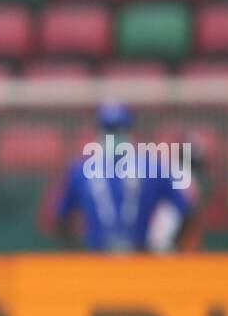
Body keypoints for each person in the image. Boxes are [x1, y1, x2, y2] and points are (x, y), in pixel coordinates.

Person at [55, 101, 191, 252]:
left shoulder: (153, 167)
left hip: (140, 257)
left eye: (119, 129)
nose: (113, 136)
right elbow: (62, 215)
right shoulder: (80, 170)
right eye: (109, 129)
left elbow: (184, 208)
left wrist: (170, 245)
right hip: (96, 258)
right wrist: (76, 252)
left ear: (129, 131)